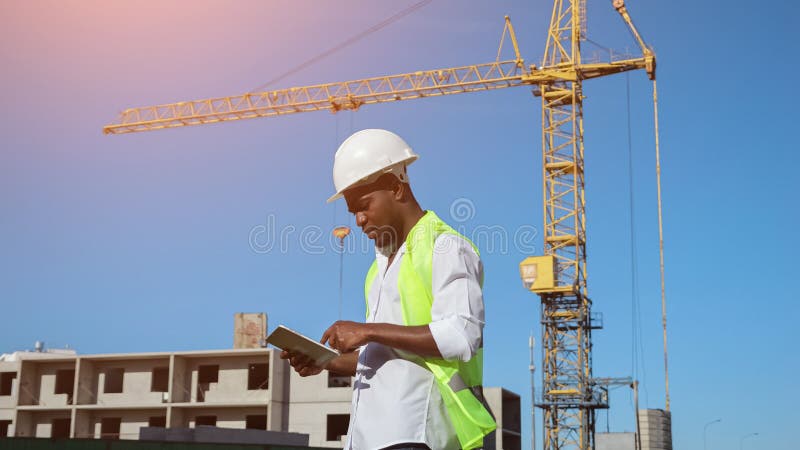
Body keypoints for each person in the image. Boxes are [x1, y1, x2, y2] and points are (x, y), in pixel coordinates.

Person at [281, 129, 495, 450]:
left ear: (396, 188)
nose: (359, 220)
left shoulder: (445, 247)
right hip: (369, 438)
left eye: (364, 205)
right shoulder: (377, 269)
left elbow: (461, 336)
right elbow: (386, 357)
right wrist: (325, 361)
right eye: (353, 212)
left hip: (417, 433)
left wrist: (367, 331)